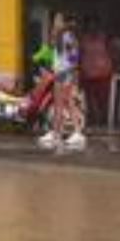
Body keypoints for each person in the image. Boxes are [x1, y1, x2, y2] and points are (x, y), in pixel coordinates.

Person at [37, 12, 87, 153]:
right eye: (54, 20)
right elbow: (59, 56)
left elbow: (74, 56)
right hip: (63, 73)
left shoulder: (66, 36)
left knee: (60, 104)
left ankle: (60, 133)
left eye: (57, 20)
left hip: (64, 74)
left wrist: (68, 71)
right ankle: (67, 133)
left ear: (64, 22)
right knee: (66, 103)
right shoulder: (62, 37)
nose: (55, 23)